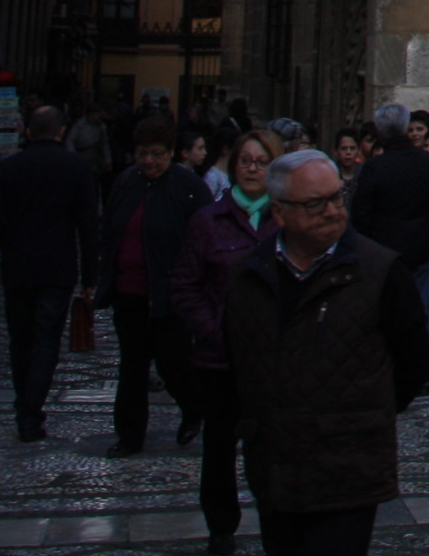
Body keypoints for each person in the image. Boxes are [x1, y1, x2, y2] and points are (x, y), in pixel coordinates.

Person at [226, 149, 429, 556]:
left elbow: (414, 360)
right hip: (277, 462)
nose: (331, 211)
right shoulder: (250, 273)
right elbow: (238, 355)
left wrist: (365, 412)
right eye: (315, 204)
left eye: (337, 198)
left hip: (349, 465)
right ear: (280, 213)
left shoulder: (379, 271)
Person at [174, 125, 284, 556]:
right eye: (246, 161)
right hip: (220, 359)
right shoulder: (208, 220)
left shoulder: (287, 219)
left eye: (262, 162)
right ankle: (220, 525)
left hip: (272, 358)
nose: (253, 169)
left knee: (273, 447)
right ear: (233, 165)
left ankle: (279, 520)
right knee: (219, 447)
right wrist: (213, 329)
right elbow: (184, 285)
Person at [0, 105, 101, 441]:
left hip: (18, 266)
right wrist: (90, 275)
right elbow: (87, 225)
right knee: (46, 341)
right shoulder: (75, 167)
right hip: (57, 266)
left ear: (27, 132)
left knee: (20, 340)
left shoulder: (10, 168)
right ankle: (30, 411)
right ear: (61, 132)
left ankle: (25, 404)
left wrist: (10, 244)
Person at [100, 116, 212, 455]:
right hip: (128, 293)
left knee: (172, 362)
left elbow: (203, 239)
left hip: (169, 296)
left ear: (170, 153)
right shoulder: (125, 183)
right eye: (143, 153)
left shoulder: (188, 187)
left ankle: (194, 408)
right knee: (132, 366)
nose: (149, 161)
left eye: (157, 154)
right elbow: (109, 232)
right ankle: (129, 436)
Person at [347, 102, 429, 317]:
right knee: (419, 309)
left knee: (385, 309)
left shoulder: (376, 167)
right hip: (418, 244)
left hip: (383, 248)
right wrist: (427, 228)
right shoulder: (428, 163)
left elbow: (361, 212)